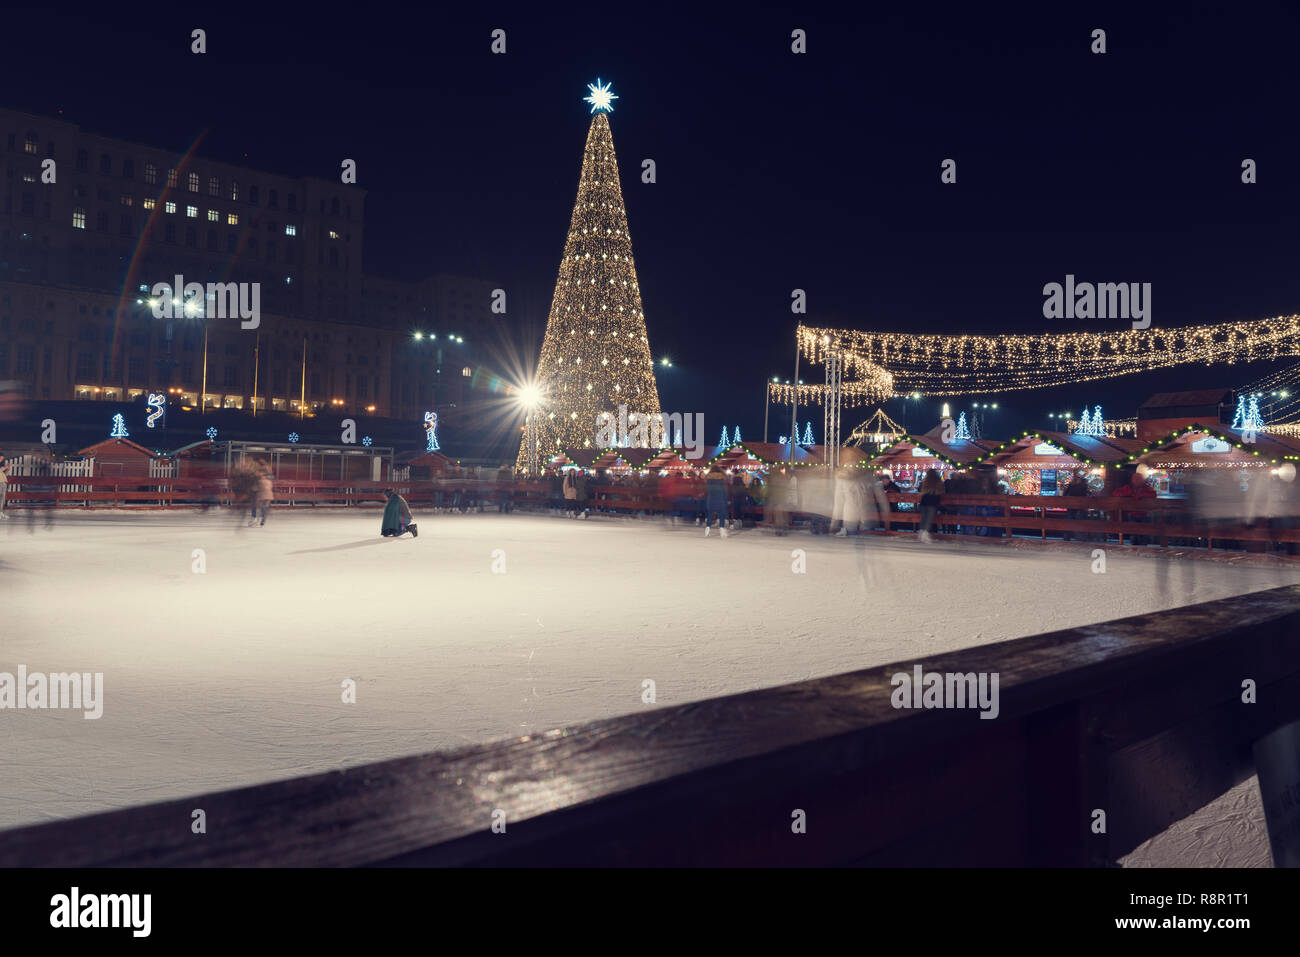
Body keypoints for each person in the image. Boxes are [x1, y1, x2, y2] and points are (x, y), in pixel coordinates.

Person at [917, 468, 944, 543]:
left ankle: (921, 533)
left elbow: (919, 489)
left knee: (924, 519)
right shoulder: (939, 482)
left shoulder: (924, 482)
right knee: (929, 519)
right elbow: (942, 491)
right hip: (933, 503)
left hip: (924, 502)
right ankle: (925, 535)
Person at [703, 466, 729, 537]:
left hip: (711, 499)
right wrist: (726, 499)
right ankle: (721, 530)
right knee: (721, 515)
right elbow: (724, 491)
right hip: (720, 499)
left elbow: (706, 491)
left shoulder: (708, 480)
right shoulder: (721, 480)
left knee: (710, 514)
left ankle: (707, 530)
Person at [0, 452, 9, 519]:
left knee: (2, 498)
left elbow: (4, 474)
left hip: (3, 482)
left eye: (2, 459)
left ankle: (0, 512)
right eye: (0, 458)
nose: (1, 460)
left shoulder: (1, 465)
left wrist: (7, 470)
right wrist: (4, 468)